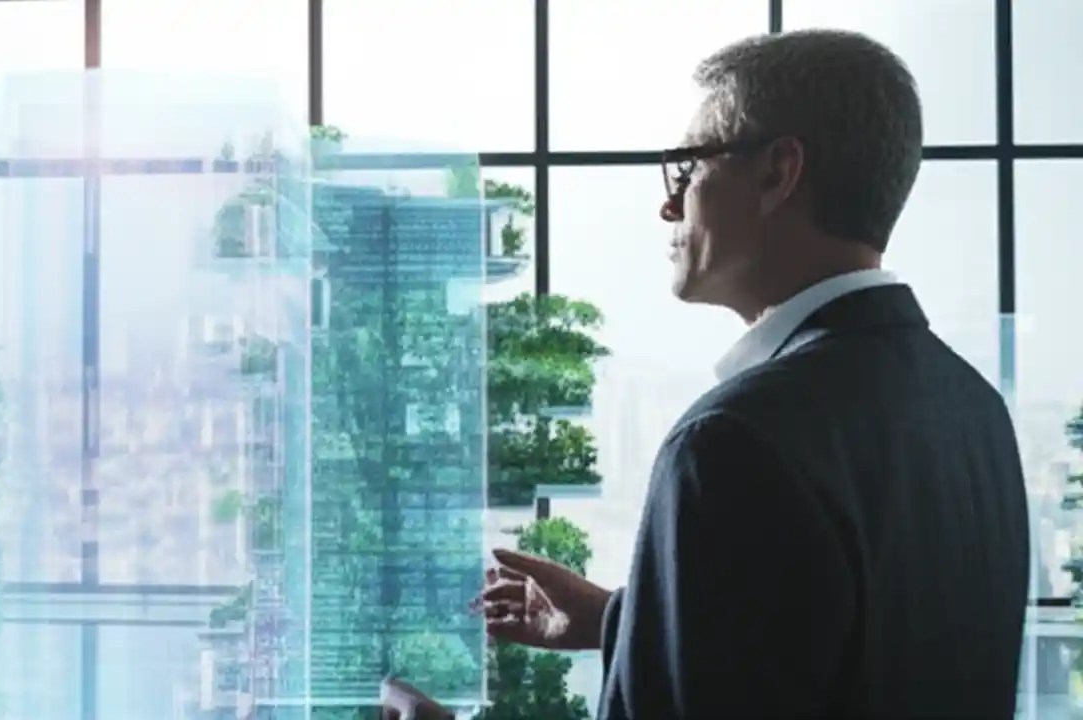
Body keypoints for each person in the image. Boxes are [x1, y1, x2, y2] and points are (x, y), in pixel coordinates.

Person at [382, 27, 1030, 720]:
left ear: (778, 172)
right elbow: (841, 652)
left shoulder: (736, 439)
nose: (670, 203)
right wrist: (624, 622)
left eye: (688, 167)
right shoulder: (975, 410)